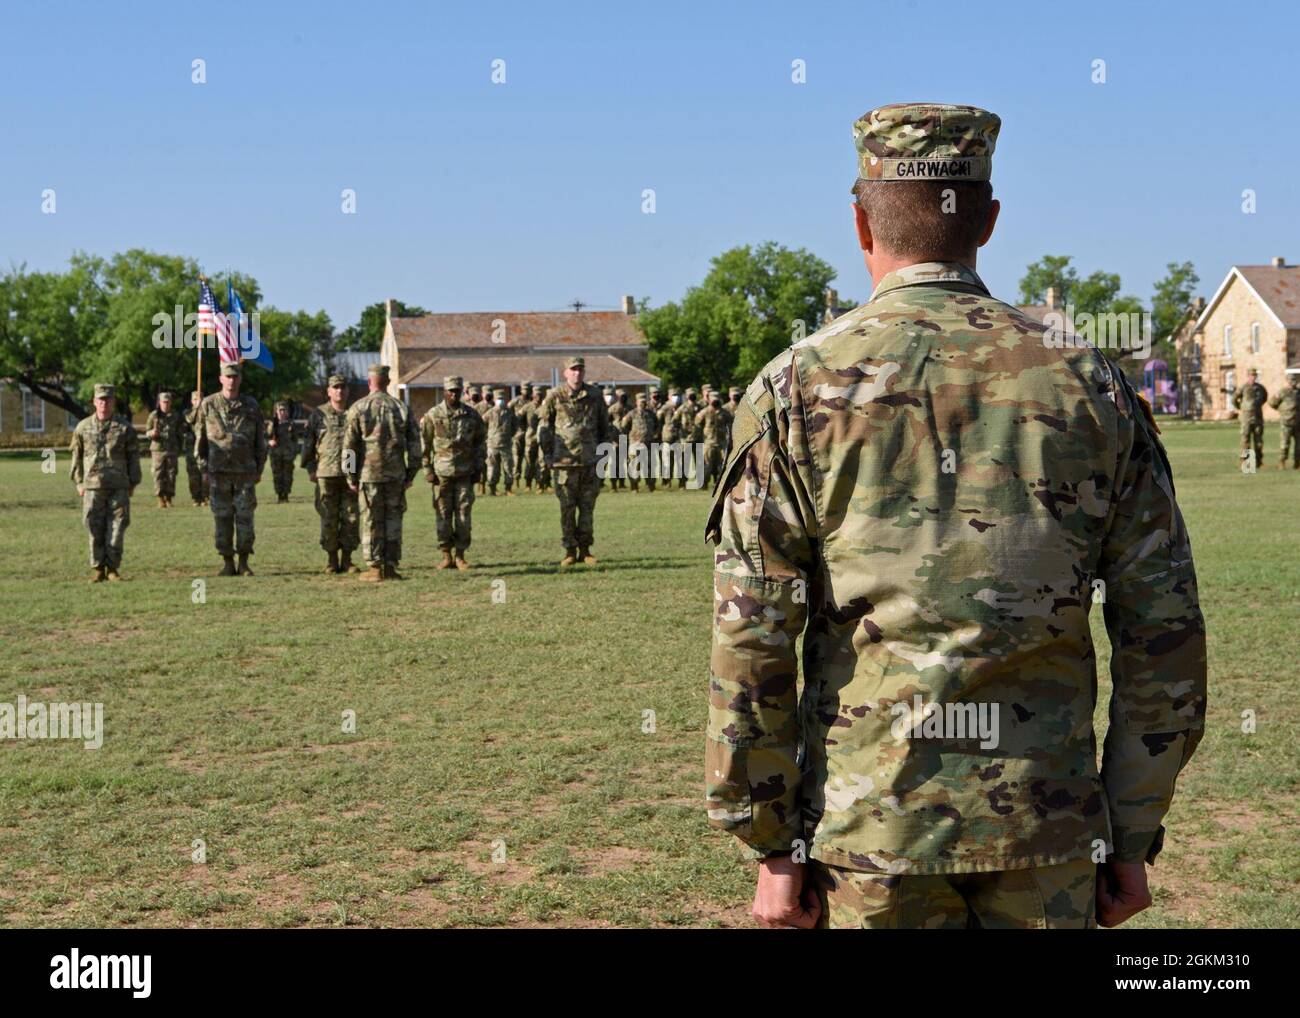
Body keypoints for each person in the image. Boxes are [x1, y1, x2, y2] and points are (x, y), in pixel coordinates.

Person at [705, 102, 1207, 930]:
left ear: (861, 222)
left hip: (870, 835)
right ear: (990, 222)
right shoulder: (1093, 383)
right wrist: (1132, 833)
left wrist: (769, 844)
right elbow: (1165, 630)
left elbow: (752, 635)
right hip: (1047, 832)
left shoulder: (796, 388)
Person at [344, 363, 421, 581]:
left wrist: (350, 476)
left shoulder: (358, 408)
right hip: (395, 474)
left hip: (369, 476)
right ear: (387, 382)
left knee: (371, 520)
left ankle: (375, 567)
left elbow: (349, 448)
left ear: (369, 382)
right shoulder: (401, 408)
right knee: (393, 519)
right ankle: (390, 565)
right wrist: (410, 473)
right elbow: (415, 445)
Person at [538, 356, 615, 566]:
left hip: (590, 462)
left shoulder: (595, 395)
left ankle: (586, 549)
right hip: (564, 463)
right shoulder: (555, 396)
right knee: (568, 508)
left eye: (580, 369)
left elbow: (604, 428)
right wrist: (547, 456)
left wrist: (604, 455)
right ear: (565, 373)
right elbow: (544, 428)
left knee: (587, 508)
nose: (577, 373)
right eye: (573, 369)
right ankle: (569, 551)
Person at [195, 362, 267, 576]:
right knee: (222, 518)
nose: (232, 380)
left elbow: (259, 441)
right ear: (221, 378)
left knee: (245, 519)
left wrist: (259, 469)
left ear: (240, 379)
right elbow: (200, 440)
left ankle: (244, 562)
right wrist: (203, 469)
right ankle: (227, 561)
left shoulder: (251, 405)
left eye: (235, 376)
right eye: (228, 376)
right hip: (218, 473)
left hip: (245, 472)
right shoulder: (208, 404)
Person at [69, 383, 140, 582]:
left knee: (117, 528)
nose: (104, 403)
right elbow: (77, 456)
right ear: (94, 401)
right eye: (100, 399)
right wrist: (79, 482)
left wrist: (133, 482)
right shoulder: (83, 427)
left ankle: (113, 568)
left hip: (119, 486)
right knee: (93, 526)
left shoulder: (125, 428)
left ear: (113, 402)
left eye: (108, 399)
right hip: (92, 487)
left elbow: (133, 456)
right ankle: (98, 567)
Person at [420, 375, 487, 570]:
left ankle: (460, 555)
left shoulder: (472, 415)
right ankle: (446, 554)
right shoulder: (433, 415)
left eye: (457, 391)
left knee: (464, 516)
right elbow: (424, 445)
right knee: (442, 515)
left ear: (462, 392)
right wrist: (427, 470)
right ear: (444, 391)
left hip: (465, 474)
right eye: (450, 391)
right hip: (441, 475)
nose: (454, 394)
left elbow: (480, 443)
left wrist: (478, 467)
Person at [302, 374, 360, 574]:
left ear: (348, 390)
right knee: (328, 517)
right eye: (335, 387)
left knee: (351, 518)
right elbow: (308, 445)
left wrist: (353, 472)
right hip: (326, 474)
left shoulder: (355, 413)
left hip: (349, 475)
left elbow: (359, 445)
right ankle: (331, 559)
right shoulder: (318, 414)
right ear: (328, 391)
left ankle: (347, 560)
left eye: (343, 387)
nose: (339, 391)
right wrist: (311, 469)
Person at [144, 390, 183, 507]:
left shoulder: (176, 416)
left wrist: (180, 446)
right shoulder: (154, 415)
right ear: (159, 402)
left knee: (171, 474)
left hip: (172, 448)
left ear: (171, 402)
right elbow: (147, 431)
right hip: (158, 449)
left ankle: (169, 497)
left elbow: (179, 432)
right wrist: (152, 433)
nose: (165, 404)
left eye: (168, 402)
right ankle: (160, 498)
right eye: (163, 402)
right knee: (158, 474)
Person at [483, 387, 517, 496]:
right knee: (492, 468)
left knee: (508, 468)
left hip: (506, 444)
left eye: (502, 399)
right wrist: (487, 437)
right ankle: (492, 489)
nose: (500, 401)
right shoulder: (490, 413)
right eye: (498, 399)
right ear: (494, 399)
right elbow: (482, 424)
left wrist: (509, 436)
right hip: (492, 445)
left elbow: (515, 427)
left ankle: (508, 488)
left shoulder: (509, 413)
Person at [1233, 368, 1268, 470]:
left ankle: (1259, 462)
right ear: (1248, 376)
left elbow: (1264, 398)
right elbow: (1234, 399)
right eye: (1251, 375)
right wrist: (1241, 408)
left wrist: (1256, 407)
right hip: (1246, 419)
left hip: (1257, 418)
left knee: (1259, 441)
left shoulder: (1261, 388)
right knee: (1245, 440)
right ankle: (1246, 462)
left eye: (1254, 375)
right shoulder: (1243, 388)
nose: (1253, 377)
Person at [1269, 372, 1300, 468]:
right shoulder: (1282, 392)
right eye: (1290, 380)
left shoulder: (1299, 392)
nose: (1292, 382)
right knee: (1285, 443)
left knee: (1298, 444)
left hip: (1298, 422)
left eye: (1294, 380)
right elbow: (1272, 402)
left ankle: (1297, 462)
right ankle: (1282, 462)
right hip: (1286, 422)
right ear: (1287, 381)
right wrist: (1281, 410)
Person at [267, 401, 297, 502]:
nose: (282, 412)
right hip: (275, 454)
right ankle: (280, 495)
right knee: (277, 475)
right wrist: (270, 441)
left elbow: (295, 439)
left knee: (288, 475)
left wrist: (294, 451)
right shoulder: (272, 424)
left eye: (284, 410)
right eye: (280, 410)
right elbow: (265, 437)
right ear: (276, 411)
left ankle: (286, 494)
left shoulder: (291, 424)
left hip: (288, 454)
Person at [184, 390, 209, 505]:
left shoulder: (207, 412)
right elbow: (189, 419)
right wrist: (196, 408)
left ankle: (206, 497)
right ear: (191, 401)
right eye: (195, 399)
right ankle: (196, 498)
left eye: (200, 399)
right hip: (191, 447)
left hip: (204, 447)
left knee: (205, 473)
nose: (198, 401)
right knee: (193, 475)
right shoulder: (188, 412)